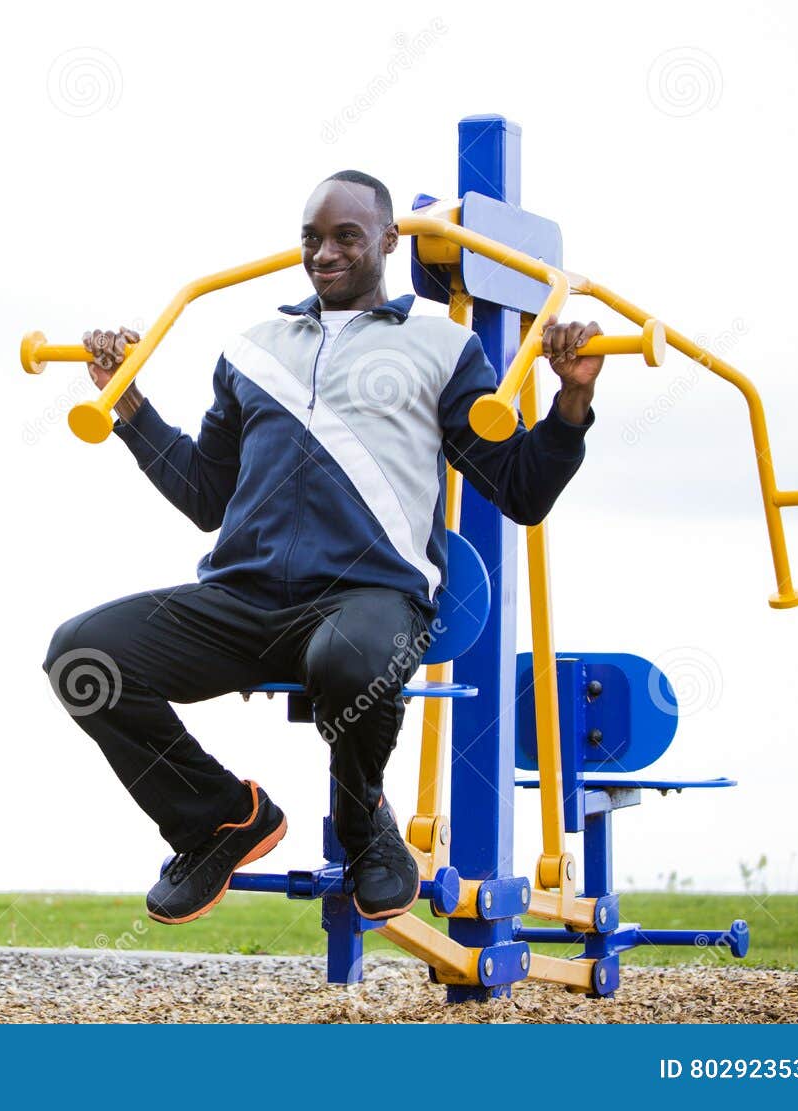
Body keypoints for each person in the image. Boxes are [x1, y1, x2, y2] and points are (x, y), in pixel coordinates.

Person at [43, 170, 602, 925]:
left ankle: (364, 820)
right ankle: (216, 819)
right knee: (83, 656)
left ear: (389, 242)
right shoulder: (252, 348)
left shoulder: (443, 345)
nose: (326, 253)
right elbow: (206, 495)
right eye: (312, 238)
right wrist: (130, 407)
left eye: (347, 236)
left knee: (350, 657)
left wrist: (570, 403)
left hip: (368, 600)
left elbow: (522, 492)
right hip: (242, 601)